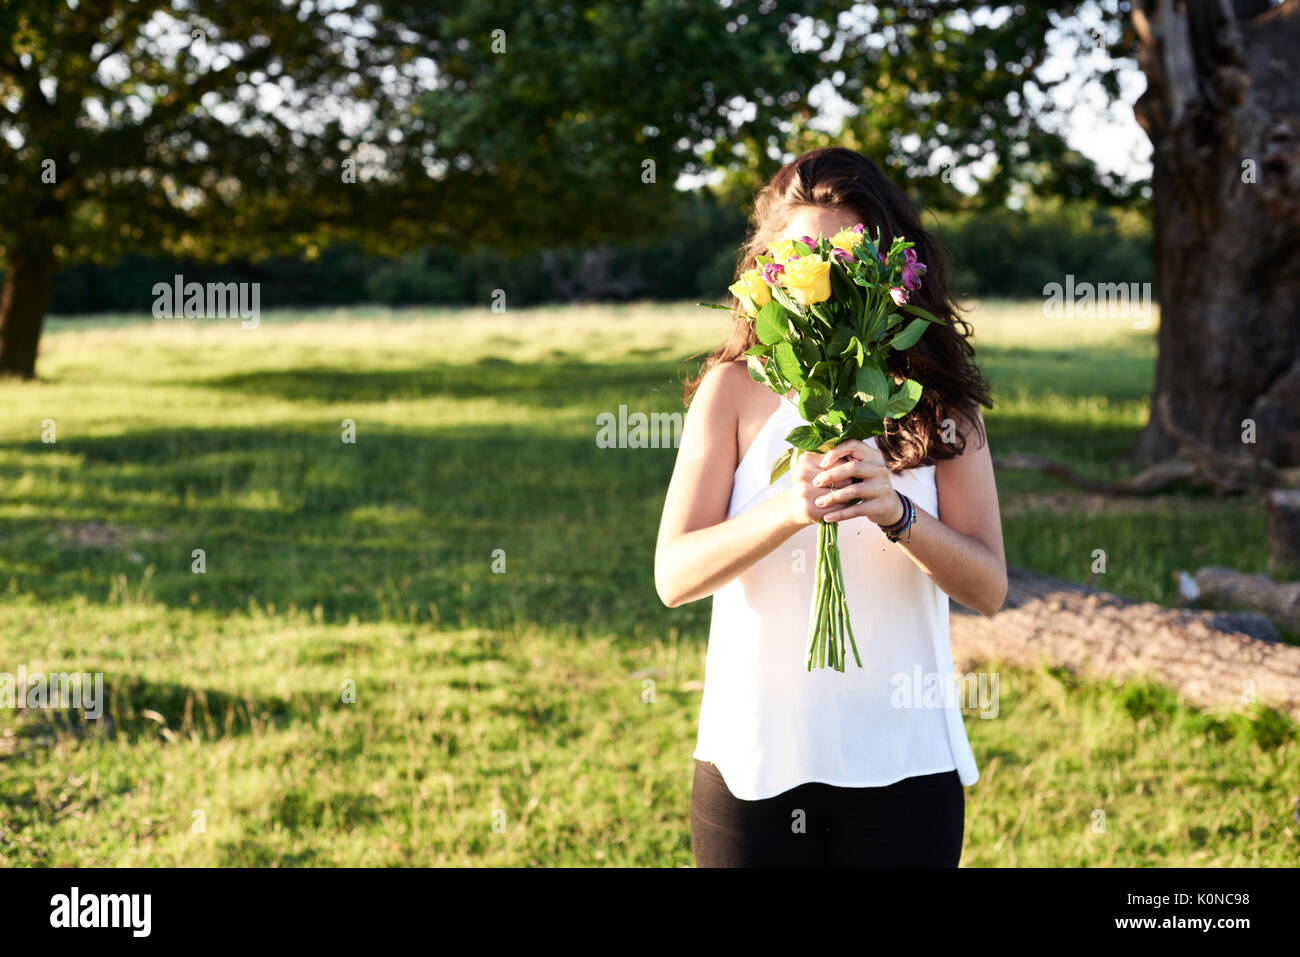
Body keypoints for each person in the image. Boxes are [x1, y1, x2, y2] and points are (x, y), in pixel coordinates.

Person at [654, 147, 1007, 867]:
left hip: (905, 763)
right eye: (799, 255)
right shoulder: (730, 392)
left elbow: (989, 587)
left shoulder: (939, 403)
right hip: (754, 760)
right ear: (767, 267)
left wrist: (899, 516)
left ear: (883, 267)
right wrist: (787, 508)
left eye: (843, 257)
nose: (821, 277)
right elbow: (673, 575)